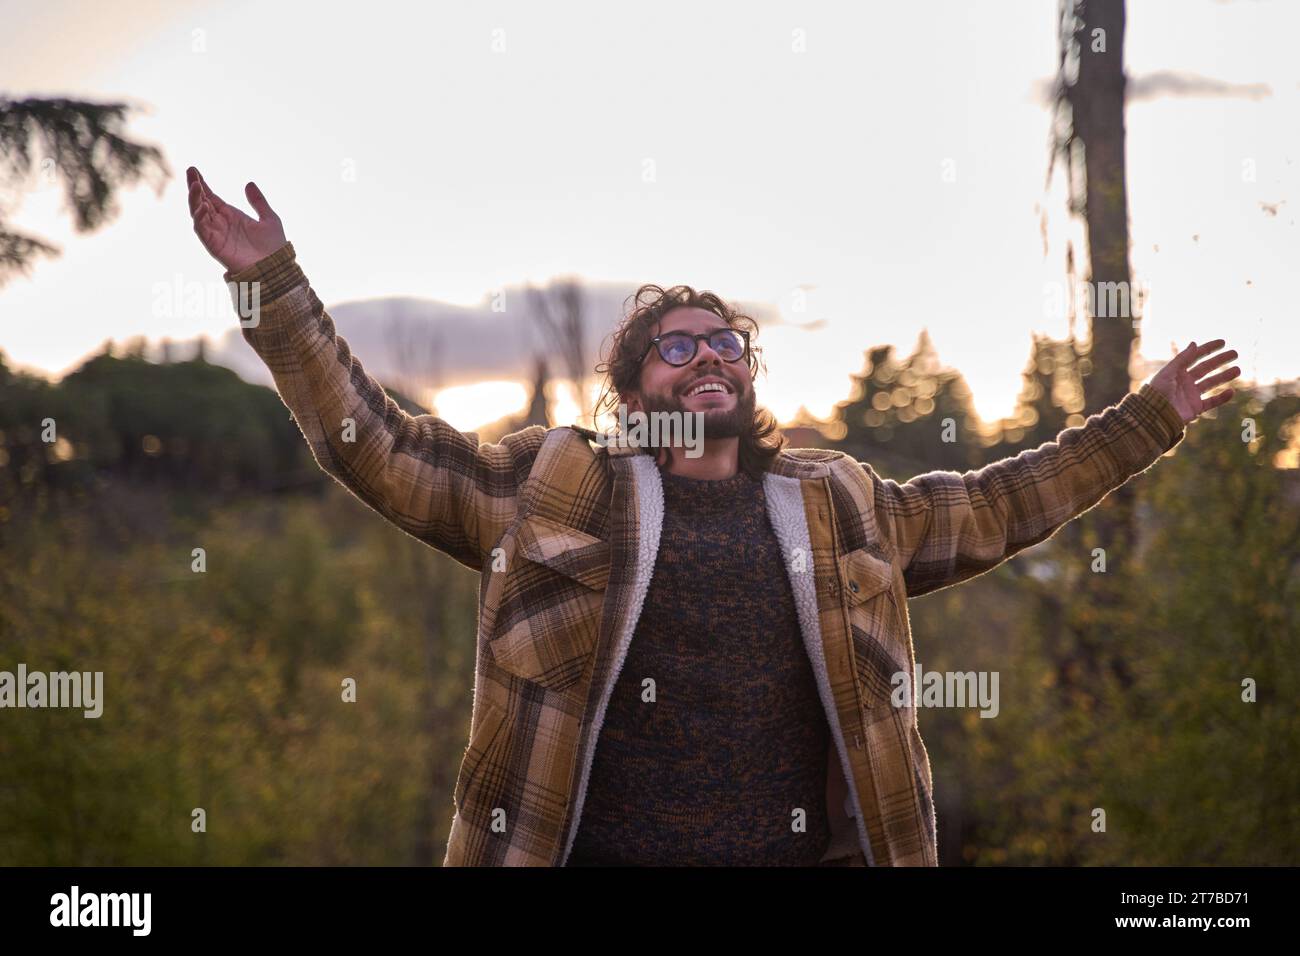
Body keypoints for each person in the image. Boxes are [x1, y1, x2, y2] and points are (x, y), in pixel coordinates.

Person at [187, 166, 1239, 867]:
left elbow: (1000, 501)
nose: (710, 356)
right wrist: (277, 288)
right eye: (677, 346)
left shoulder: (835, 503)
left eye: (727, 343)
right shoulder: (554, 485)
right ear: (634, 389)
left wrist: (1147, 420)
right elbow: (379, 444)